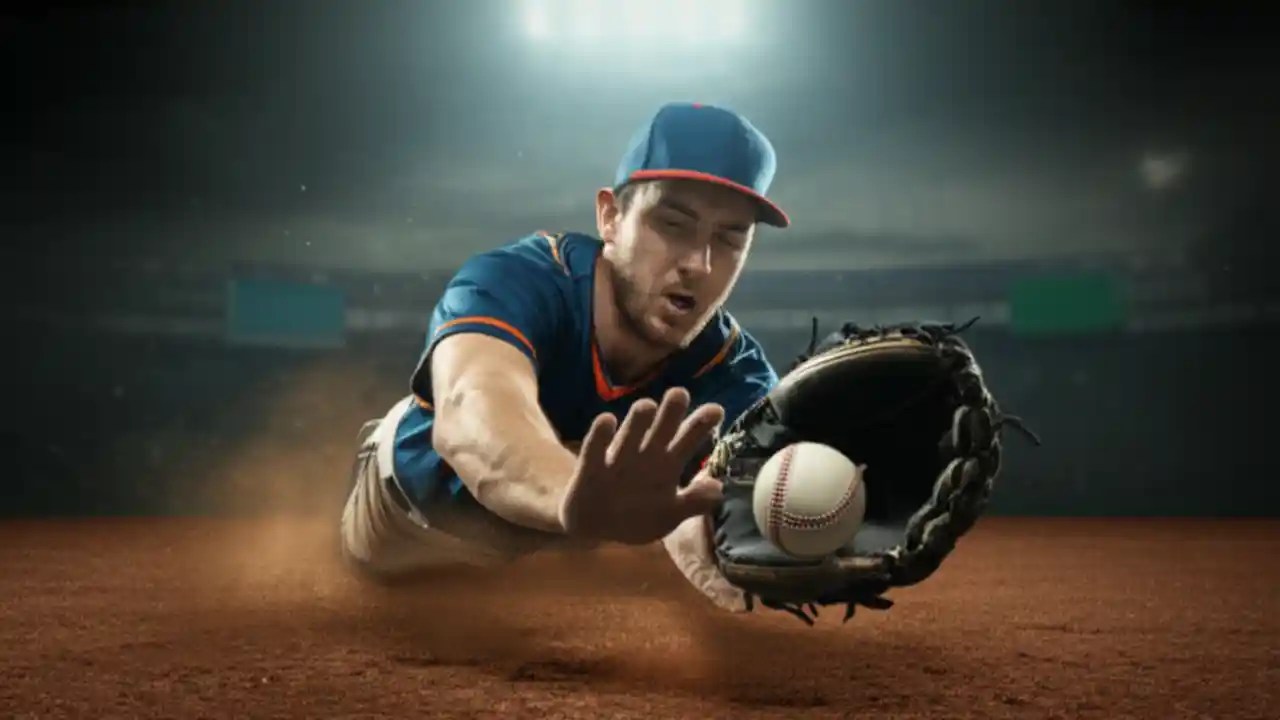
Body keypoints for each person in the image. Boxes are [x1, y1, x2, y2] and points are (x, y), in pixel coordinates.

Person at [340, 102, 789, 610]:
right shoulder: (520, 279)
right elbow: (472, 412)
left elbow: (731, 497)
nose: (698, 263)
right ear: (610, 217)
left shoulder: (740, 375)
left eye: (729, 239)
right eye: (673, 224)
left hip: (551, 564)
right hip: (414, 526)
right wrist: (572, 496)